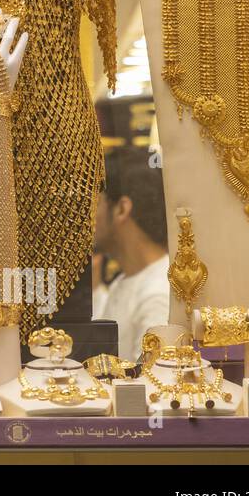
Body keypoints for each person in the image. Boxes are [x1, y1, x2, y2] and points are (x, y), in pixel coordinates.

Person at [94, 147, 170, 361]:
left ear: (121, 209)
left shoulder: (158, 295)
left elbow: (149, 389)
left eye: (96, 203)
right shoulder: (124, 281)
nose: (87, 217)